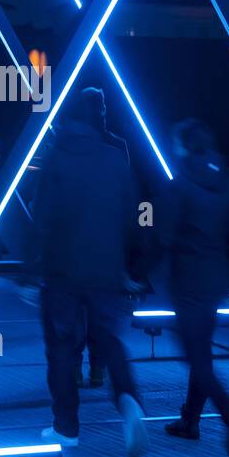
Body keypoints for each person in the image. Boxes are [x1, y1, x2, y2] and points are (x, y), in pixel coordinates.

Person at [31, 88, 147, 457]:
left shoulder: (55, 158)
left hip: (62, 272)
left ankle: (66, 427)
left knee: (62, 349)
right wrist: (131, 268)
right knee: (110, 340)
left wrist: (31, 271)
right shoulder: (116, 159)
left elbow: (42, 219)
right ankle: (128, 400)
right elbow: (133, 218)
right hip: (106, 268)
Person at [153, 119, 229, 455]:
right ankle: (189, 420)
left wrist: (141, 273)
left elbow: (163, 237)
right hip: (216, 280)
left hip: (187, 281)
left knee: (194, 355)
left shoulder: (179, 187)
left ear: (183, 146)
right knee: (200, 351)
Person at [72, 87, 130, 390]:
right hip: (108, 243)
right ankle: (98, 369)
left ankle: (76, 368)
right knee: (101, 312)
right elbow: (126, 195)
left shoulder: (69, 146)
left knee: (76, 312)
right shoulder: (117, 146)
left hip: (76, 243)